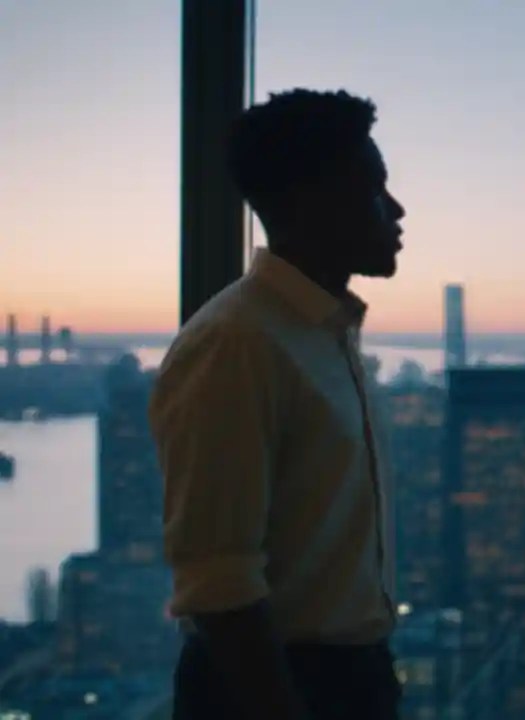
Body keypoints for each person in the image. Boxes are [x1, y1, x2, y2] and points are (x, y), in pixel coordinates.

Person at [150, 89, 407, 720]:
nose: (396, 210)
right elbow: (219, 580)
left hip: (345, 676)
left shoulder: (318, 334)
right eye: (374, 189)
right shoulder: (237, 343)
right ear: (313, 203)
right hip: (276, 688)